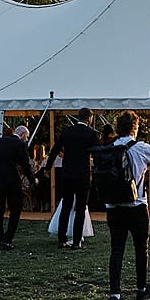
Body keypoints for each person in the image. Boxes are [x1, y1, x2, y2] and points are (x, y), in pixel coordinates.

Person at [105, 110, 150, 300]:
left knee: (116, 250)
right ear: (135, 128)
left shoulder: (109, 148)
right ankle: (141, 287)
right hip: (136, 205)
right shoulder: (141, 147)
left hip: (113, 206)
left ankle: (114, 293)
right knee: (140, 248)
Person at [44, 107, 100, 250]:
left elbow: (55, 150)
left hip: (67, 173)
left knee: (66, 205)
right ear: (89, 118)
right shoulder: (92, 134)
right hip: (82, 174)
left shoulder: (67, 131)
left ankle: (62, 239)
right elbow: (99, 154)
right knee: (81, 208)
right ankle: (76, 241)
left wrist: (47, 167)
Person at [0, 125, 36, 251]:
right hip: (12, 182)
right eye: (27, 137)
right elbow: (25, 165)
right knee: (15, 210)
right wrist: (33, 179)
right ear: (22, 134)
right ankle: (8, 239)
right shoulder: (20, 145)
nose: (27, 139)